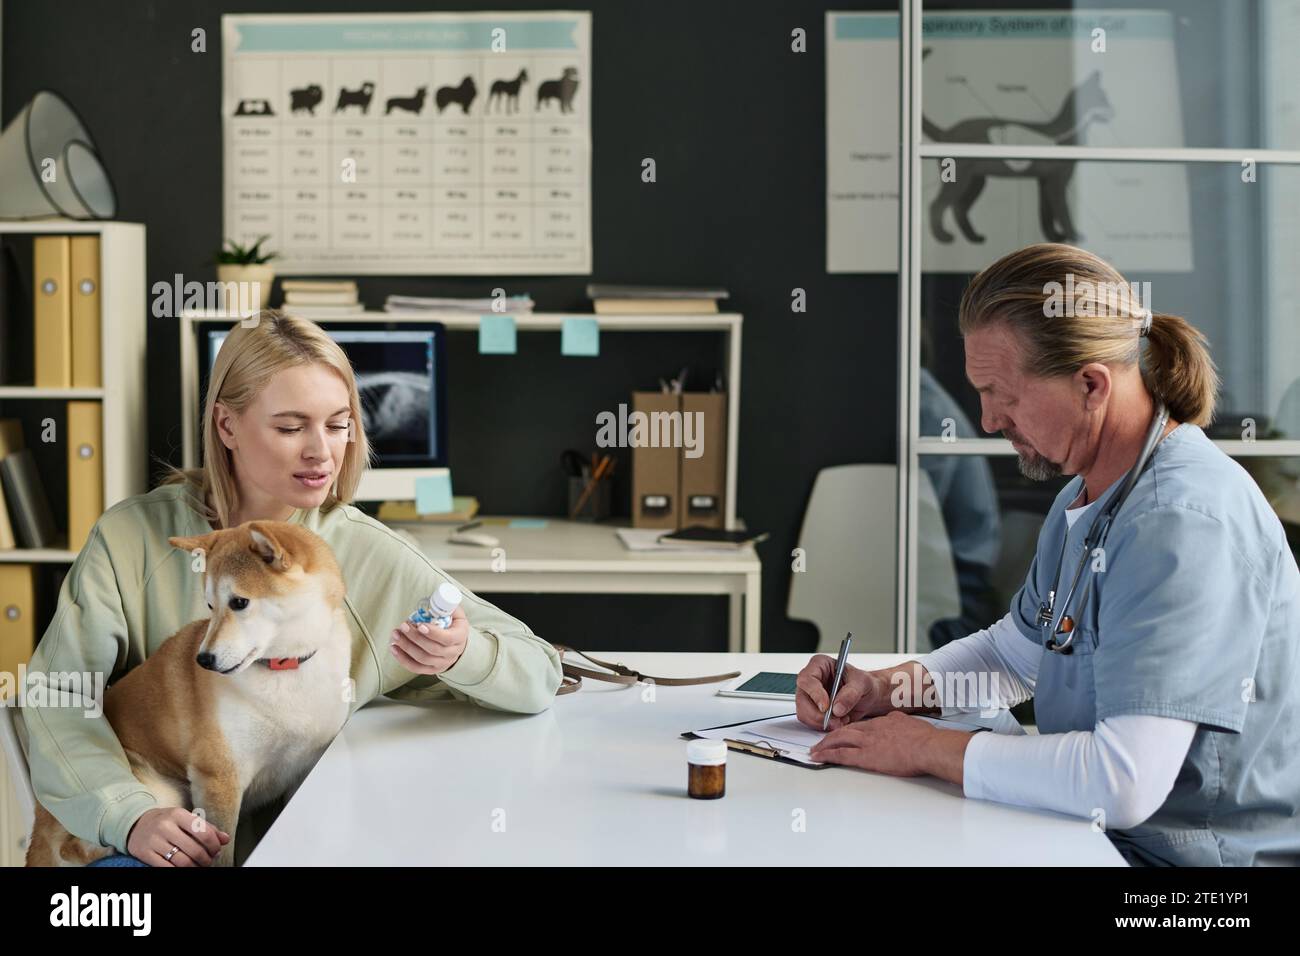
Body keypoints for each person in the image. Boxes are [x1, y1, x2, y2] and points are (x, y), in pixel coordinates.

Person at [796, 243, 1300, 865]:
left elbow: (1123, 781)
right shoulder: (1088, 499)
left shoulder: (1182, 522)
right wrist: (886, 690)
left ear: (1091, 385)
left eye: (1000, 393)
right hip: (1094, 842)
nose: (984, 419)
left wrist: (926, 747)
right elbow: (1013, 656)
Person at [19, 311, 563, 867]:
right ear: (226, 426)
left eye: (338, 424)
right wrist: (129, 814)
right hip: (135, 841)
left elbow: (539, 673)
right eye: (290, 426)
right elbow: (58, 696)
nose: (321, 452)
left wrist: (461, 651)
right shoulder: (128, 538)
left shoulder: (365, 552)